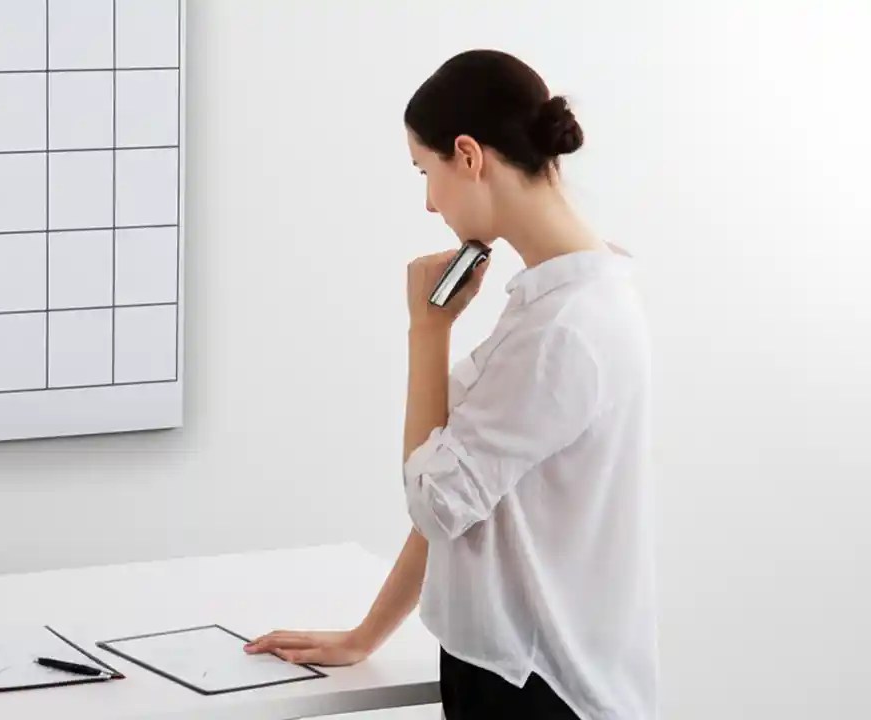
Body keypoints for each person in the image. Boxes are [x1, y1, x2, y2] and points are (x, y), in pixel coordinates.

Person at [244, 49, 657, 719]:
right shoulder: (568, 301)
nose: (429, 201)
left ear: (468, 155)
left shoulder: (562, 330)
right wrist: (366, 634)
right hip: (524, 672)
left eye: (425, 170)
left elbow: (433, 497)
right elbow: (469, 496)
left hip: (535, 688)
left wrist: (426, 332)